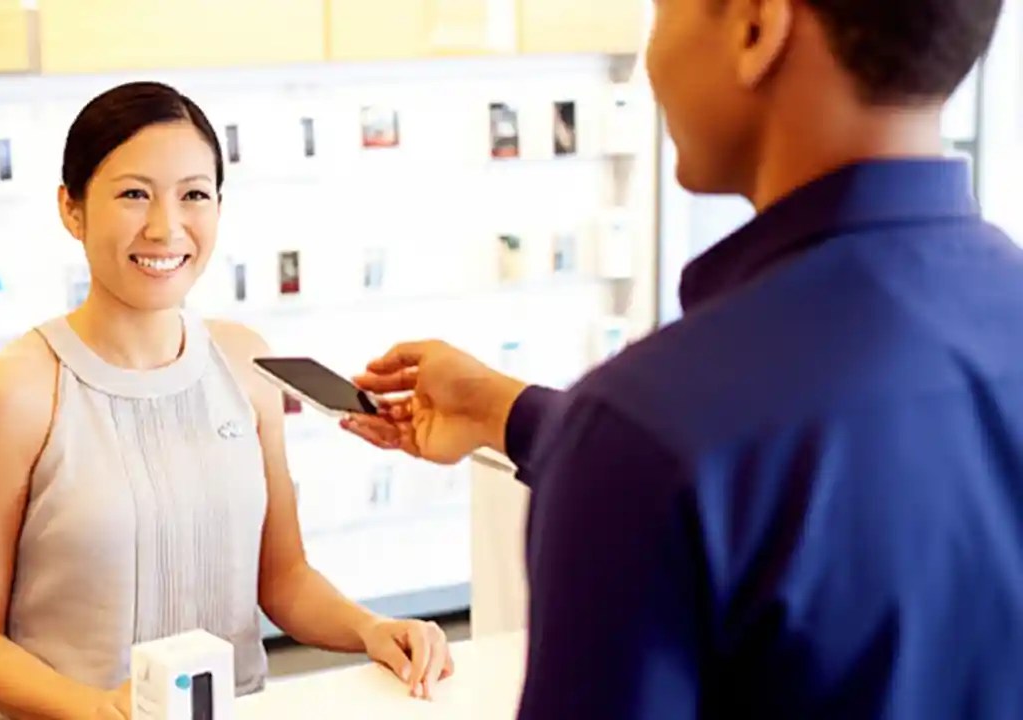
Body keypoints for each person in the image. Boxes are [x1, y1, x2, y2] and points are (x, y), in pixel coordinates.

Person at [346, 0, 1023, 718]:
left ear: (756, 27)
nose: (651, 61)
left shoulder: (648, 431)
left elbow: (706, 469)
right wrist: (501, 409)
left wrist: (598, 445)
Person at [0, 81, 452, 720]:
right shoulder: (12, 391)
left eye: (194, 195)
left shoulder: (245, 364)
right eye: (133, 194)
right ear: (72, 209)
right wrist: (99, 711)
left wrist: (370, 630)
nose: (165, 226)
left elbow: (282, 579)